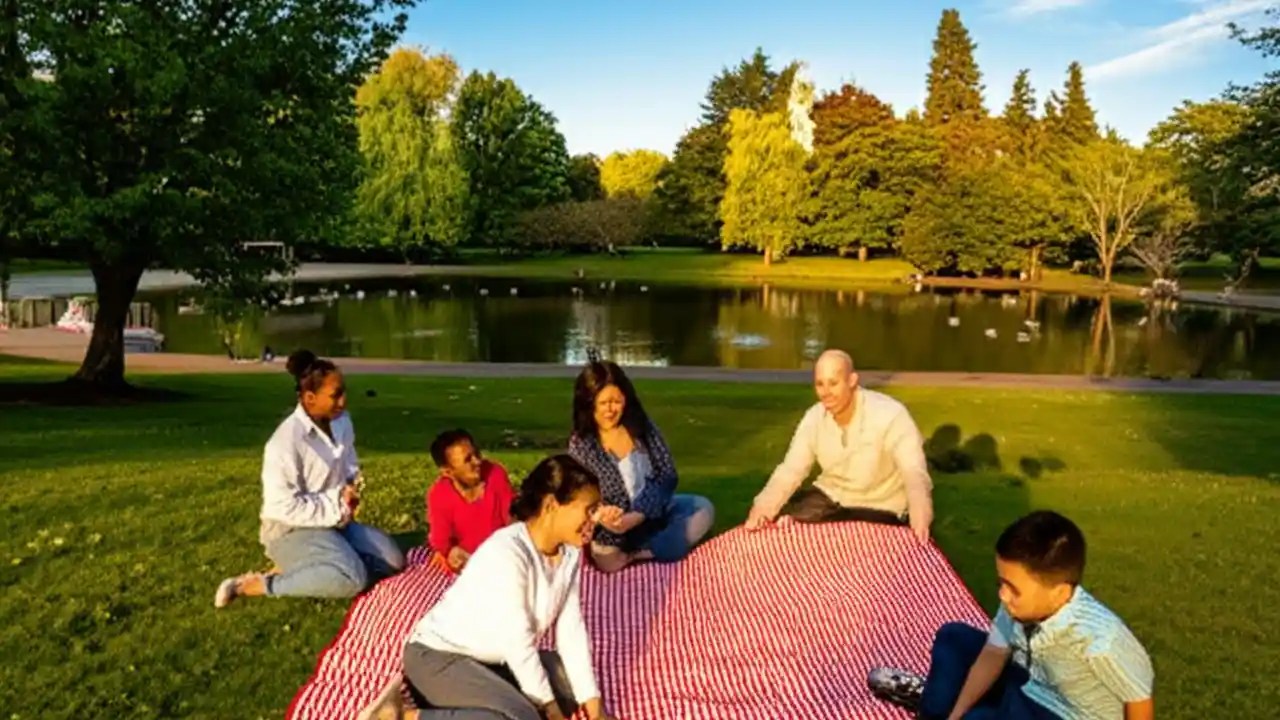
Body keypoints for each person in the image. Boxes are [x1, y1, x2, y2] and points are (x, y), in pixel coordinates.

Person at [356, 454, 618, 720]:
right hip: (438, 657)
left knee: (562, 676)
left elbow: (571, 629)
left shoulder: (570, 553)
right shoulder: (507, 551)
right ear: (551, 505)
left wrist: (595, 707)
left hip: (491, 660)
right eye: (588, 510)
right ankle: (403, 717)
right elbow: (518, 643)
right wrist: (551, 712)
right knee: (521, 717)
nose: (593, 520)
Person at [867, 511, 1155, 720]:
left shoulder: (1101, 639)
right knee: (953, 637)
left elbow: (1138, 700)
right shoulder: (1017, 607)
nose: (1003, 596)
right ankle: (935, 708)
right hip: (1022, 682)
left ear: (1059, 592)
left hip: (1060, 712)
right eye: (1001, 583)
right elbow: (993, 654)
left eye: (1013, 588)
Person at [213, 349, 406, 607]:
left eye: (343, 391)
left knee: (393, 561)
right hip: (289, 528)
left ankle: (312, 566)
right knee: (353, 577)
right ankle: (258, 584)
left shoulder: (341, 422)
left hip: (334, 522)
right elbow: (282, 507)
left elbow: (349, 462)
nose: (343, 401)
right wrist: (335, 504)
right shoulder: (284, 443)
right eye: (335, 395)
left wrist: (350, 487)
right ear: (310, 398)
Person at [744, 348, 934, 543]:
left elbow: (914, 472)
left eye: (833, 384)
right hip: (830, 498)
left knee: (861, 550)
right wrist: (762, 509)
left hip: (879, 505)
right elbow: (791, 469)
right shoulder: (814, 417)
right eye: (820, 384)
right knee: (786, 530)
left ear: (852, 381)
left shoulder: (890, 414)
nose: (826, 393)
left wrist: (920, 515)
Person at [567, 359, 715, 573]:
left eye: (616, 402)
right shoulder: (581, 444)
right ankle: (655, 550)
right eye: (603, 403)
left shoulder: (641, 425)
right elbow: (579, 497)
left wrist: (639, 514)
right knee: (605, 557)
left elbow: (667, 475)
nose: (610, 410)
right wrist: (603, 515)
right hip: (612, 529)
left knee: (703, 509)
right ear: (589, 404)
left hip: (652, 514)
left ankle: (645, 554)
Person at [426, 428, 514, 574]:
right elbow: (441, 541)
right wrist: (452, 553)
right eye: (468, 460)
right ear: (448, 471)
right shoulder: (439, 495)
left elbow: (512, 517)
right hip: (465, 564)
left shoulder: (495, 474)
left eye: (477, 454)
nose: (477, 461)